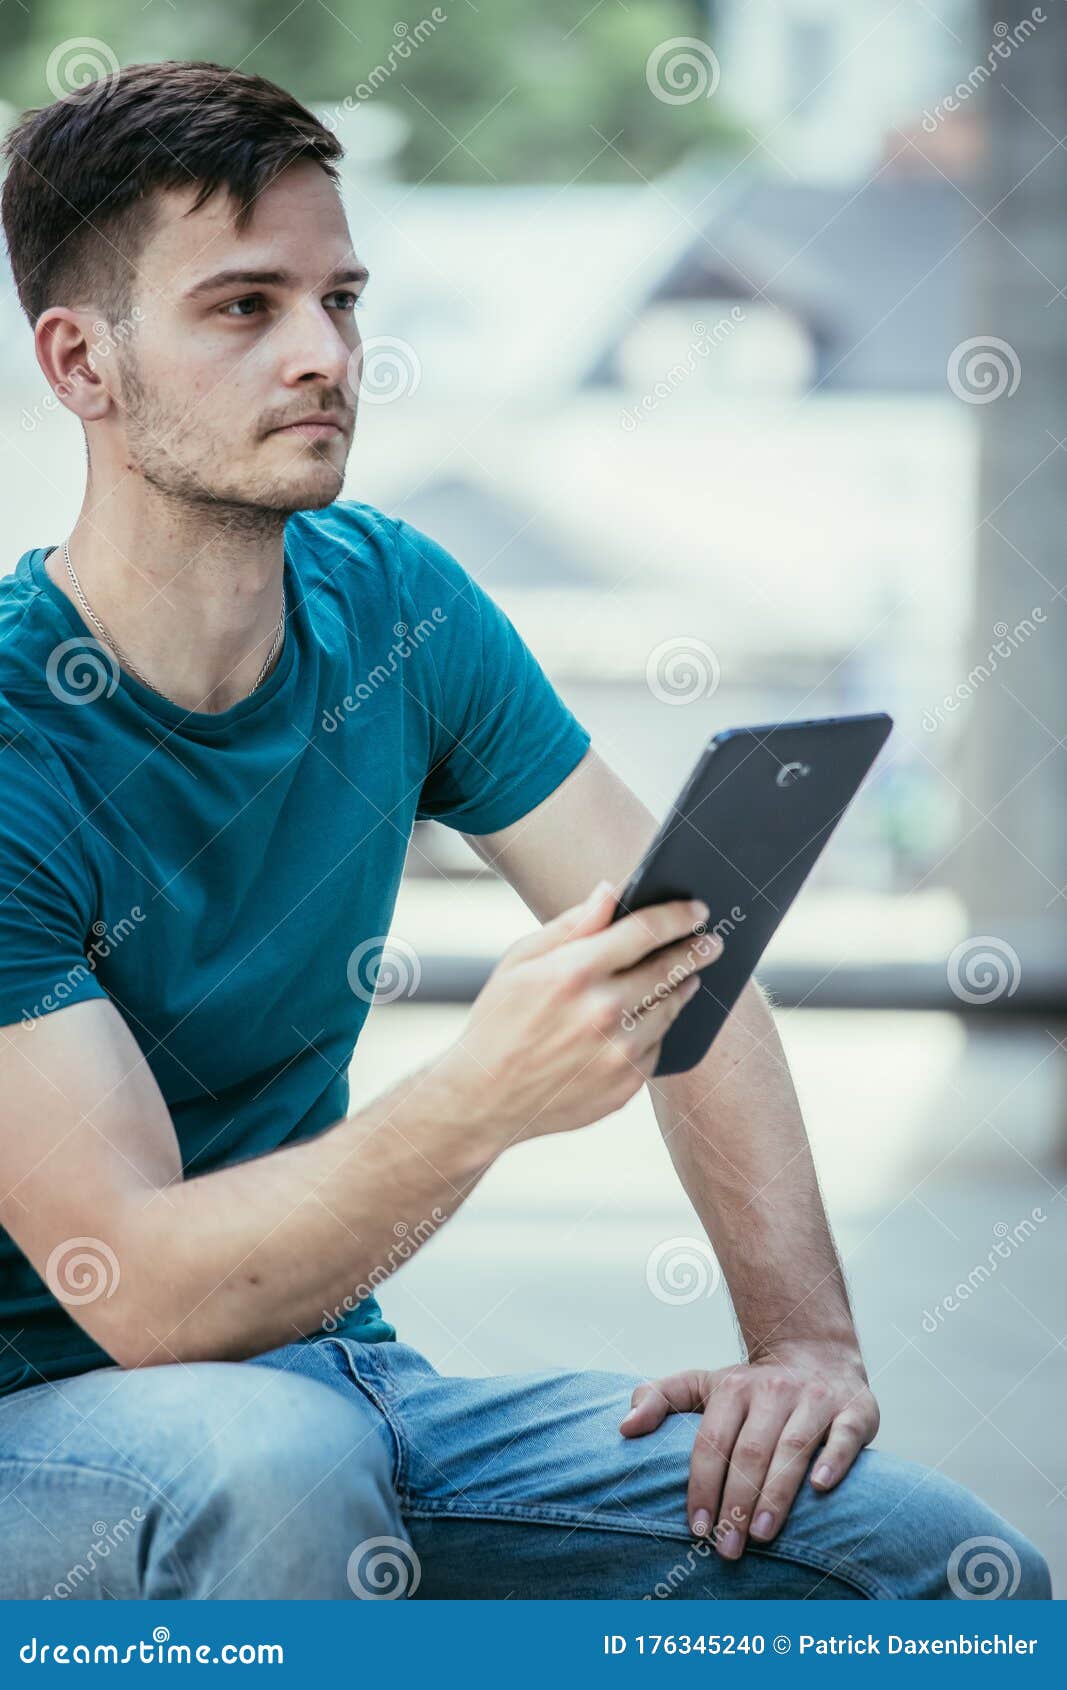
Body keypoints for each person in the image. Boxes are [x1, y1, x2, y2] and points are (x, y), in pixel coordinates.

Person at [0, 60, 1050, 1601]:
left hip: (346, 1391)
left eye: (339, 300)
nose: (324, 352)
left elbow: (687, 948)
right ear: (80, 361)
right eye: (244, 307)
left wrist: (804, 1344)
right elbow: (143, 1297)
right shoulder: (19, 737)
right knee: (274, 1471)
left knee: (933, 1561)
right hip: (57, 1438)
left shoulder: (397, 607)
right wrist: (482, 1098)